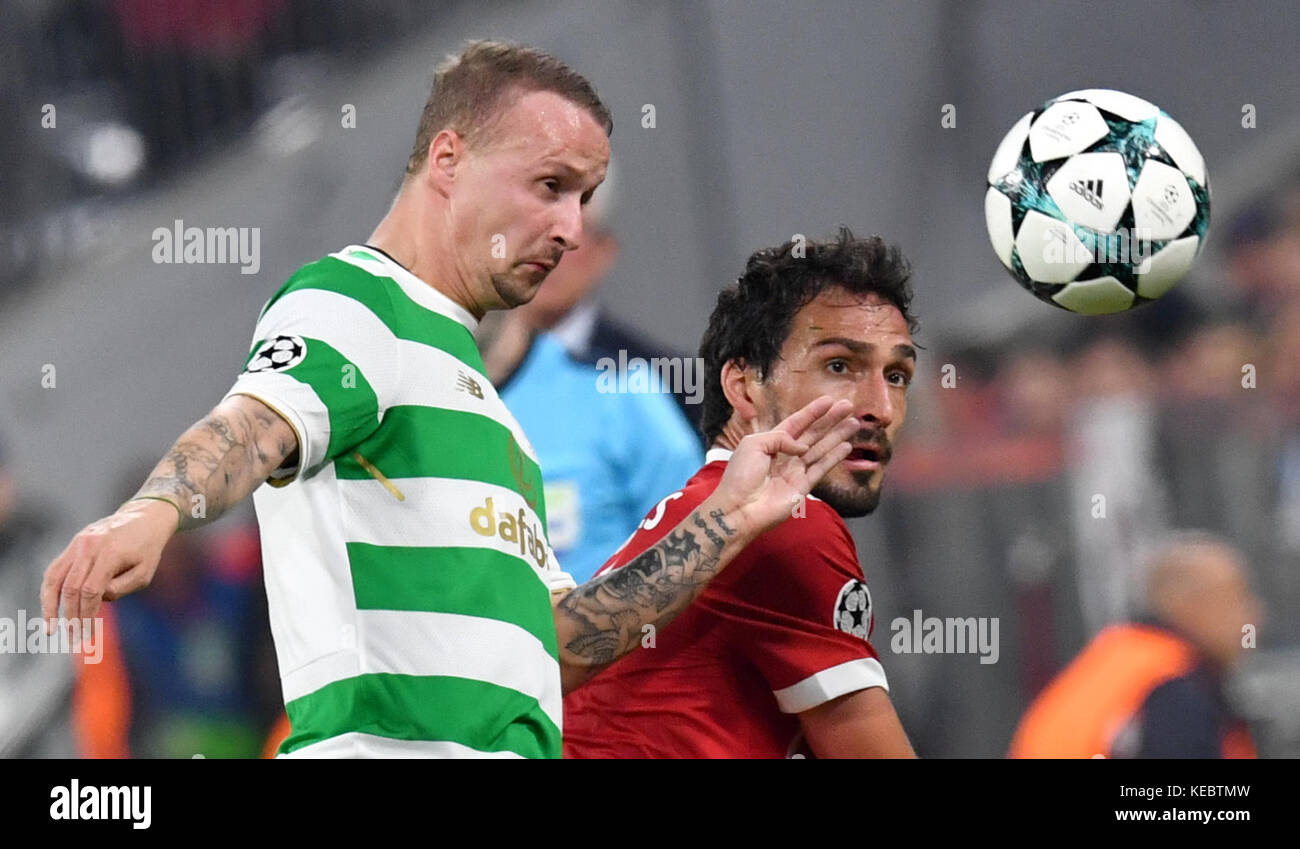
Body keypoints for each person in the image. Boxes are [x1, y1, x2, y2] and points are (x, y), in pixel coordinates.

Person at [40, 40, 858, 759]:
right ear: (448, 159)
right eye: (550, 185)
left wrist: (730, 519)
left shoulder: (493, 416)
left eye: (584, 198)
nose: (571, 227)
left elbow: (562, 643)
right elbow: (256, 420)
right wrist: (150, 511)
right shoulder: (355, 303)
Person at [564, 229, 918, 758]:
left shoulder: (702, 509)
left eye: (896, 374)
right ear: (744, 386)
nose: (880, 408)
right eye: (840, 366)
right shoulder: (790, 527)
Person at [479, 170, 703, 582]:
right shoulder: (440, 382)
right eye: (528, 233)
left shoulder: (649, 381)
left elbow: (690, 557)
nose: (549, 255)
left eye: (570, 239)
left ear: (603, 251)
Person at [1008, 532, 1261, 758]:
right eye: (1236, 598)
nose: (1254, 616)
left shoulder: (1124, 659)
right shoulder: (1172, 686)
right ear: (1191, 605)